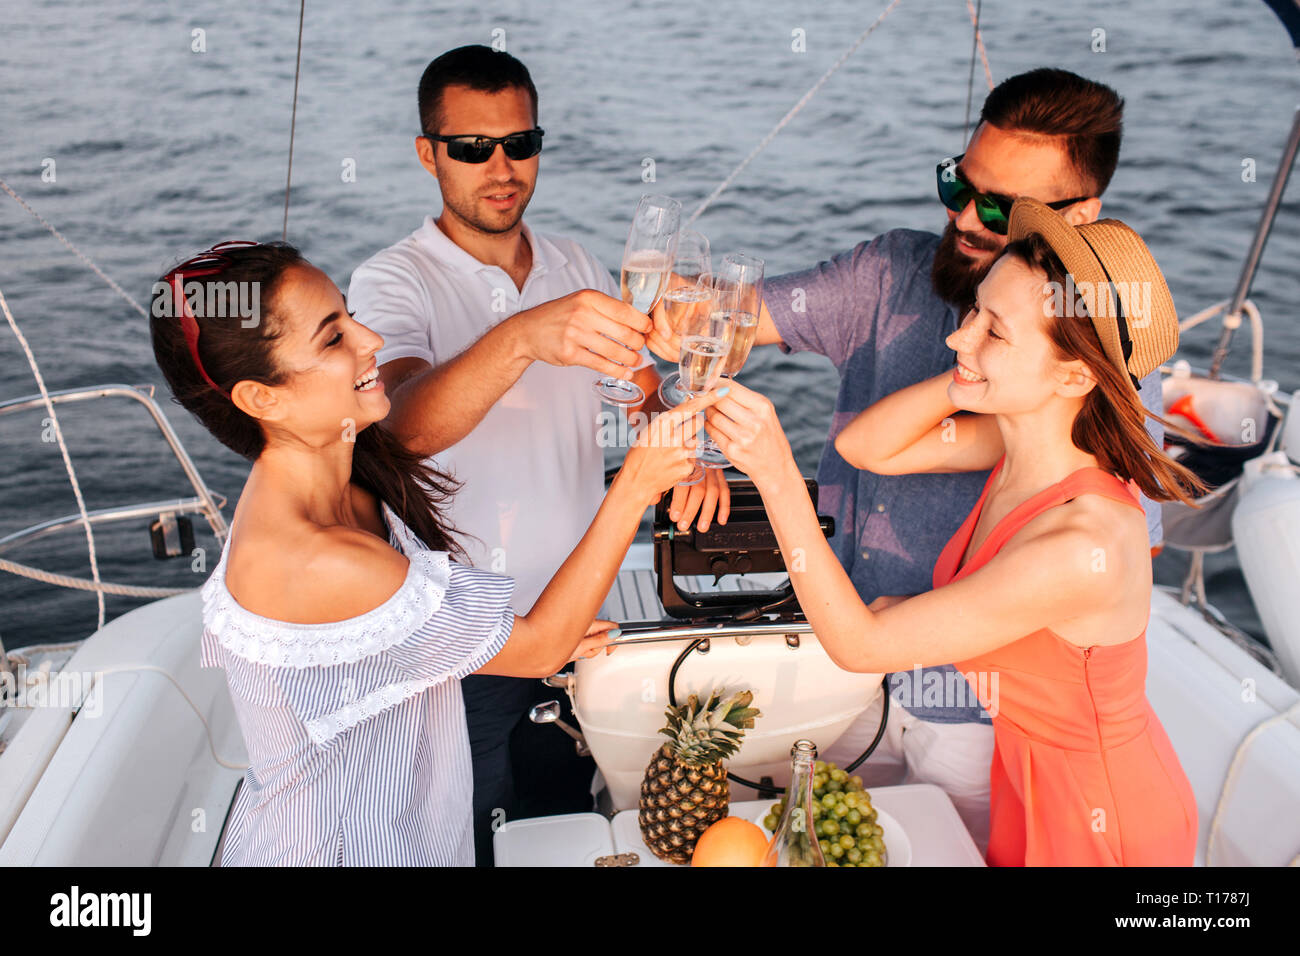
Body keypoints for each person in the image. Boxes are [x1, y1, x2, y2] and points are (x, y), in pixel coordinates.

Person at [649, 68, 1155, 852]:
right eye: (959, 182)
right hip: (856, 679)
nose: (962, 214)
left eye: (999, 208)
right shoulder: (900, 283)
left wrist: (776, 470)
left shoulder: (1075, 404)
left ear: (1077, 219)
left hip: (996, 738)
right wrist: (665, 322)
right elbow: (846, 431)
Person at [149, 240, 719, 865]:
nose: (370, 340)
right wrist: (636, 481)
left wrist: (493, 637)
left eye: (348, 313)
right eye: (333, 337)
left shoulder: (347, 476)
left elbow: (377, 648)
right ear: (263, 399)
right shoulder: (316, 554)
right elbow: (543, 647)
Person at [704, 199, 1201, 865]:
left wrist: (773, 474)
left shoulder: (1083, 546)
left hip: (1099, 810)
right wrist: (971, 371)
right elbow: (866, 446)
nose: (956, 336)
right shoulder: (1018, 443)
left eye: (997, 330)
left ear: (1075, 374)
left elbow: (861, 645)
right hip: (1026, 779)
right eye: (975, 312)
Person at [346, 45, 729, 863]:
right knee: (471, 840)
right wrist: (524, 336)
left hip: (577, 625)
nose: (502, 166)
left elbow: (642, 394)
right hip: (461, 646)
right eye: (473, 147)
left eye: (520, 144)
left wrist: (684, 438)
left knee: (564, 832)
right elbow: (400, 429)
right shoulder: (392, 281)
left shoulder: (575, 266)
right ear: (428, 154)